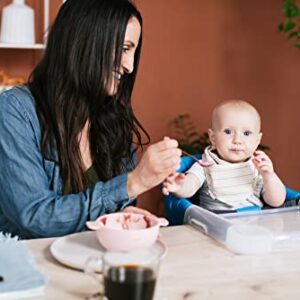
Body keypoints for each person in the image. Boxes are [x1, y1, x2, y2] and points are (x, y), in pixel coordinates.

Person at [0, 0, 181, 239]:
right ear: (87, 42)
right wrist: (132, 183)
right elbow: (34, 217)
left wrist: (127, 218)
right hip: (33, 268)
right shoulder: (16, 110)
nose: (129, 66)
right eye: (125, 48)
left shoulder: (114, 117)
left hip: (93, 261)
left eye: (133, 52)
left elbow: (114, 205)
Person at [162, 100, 286, 213]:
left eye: (246, 133)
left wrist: (269, 177)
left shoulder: (257, 167)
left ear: (257, 140)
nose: (237, 140)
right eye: (228, 132)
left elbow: (276, 201)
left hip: (254, 227)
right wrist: (179, 187)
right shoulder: (205, 165)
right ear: (213, 138)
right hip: (215, 228)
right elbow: (191, 186)